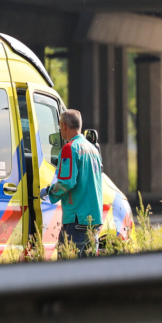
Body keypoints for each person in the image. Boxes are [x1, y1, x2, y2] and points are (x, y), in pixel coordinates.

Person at [44, 109, 105, 257]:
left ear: (64, 126)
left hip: (77, 220)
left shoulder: (69, 149)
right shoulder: (93, 149)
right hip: (93, 220)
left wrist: (49, 191)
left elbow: (67, 182)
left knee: (68, 273)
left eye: (60, 126)